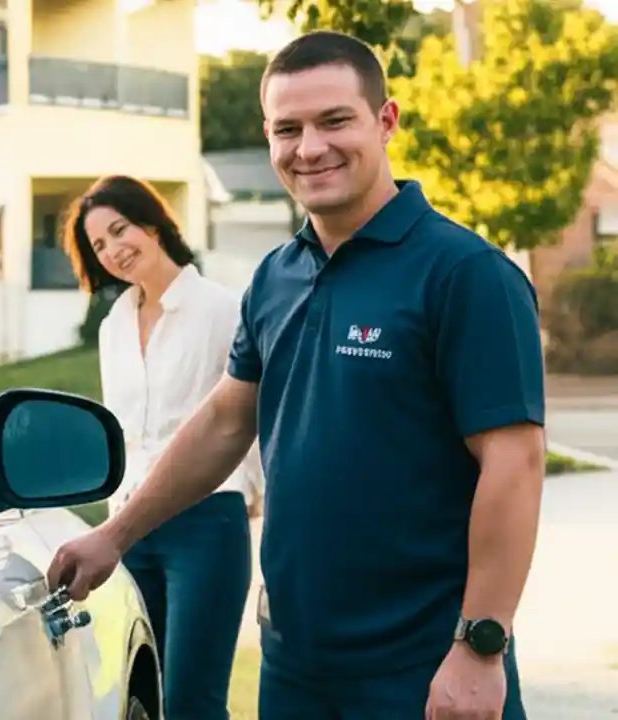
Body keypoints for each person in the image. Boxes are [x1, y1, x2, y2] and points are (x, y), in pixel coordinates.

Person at [48, 31, 544, 720]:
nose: (309, 147)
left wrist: (481, 646)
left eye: (334, 120)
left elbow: (515, 463)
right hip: (296, 668)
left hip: (422, 669)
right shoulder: (275, 278)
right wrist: (114, 535)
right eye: (288, 129)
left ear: (386, 120)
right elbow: (226, 420)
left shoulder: (466, 275)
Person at [60, 174, 264, 719]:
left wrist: (255, 490)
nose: (112, 250)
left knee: (194, 702)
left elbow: (251, 415)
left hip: (207, 522)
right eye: (98, 245)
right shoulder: (113, 327)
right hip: (130, 529)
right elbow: (123, 431)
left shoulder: (223, 309)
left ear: (152, 223)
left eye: (119, 230)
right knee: (140, 696)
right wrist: (111, 525)